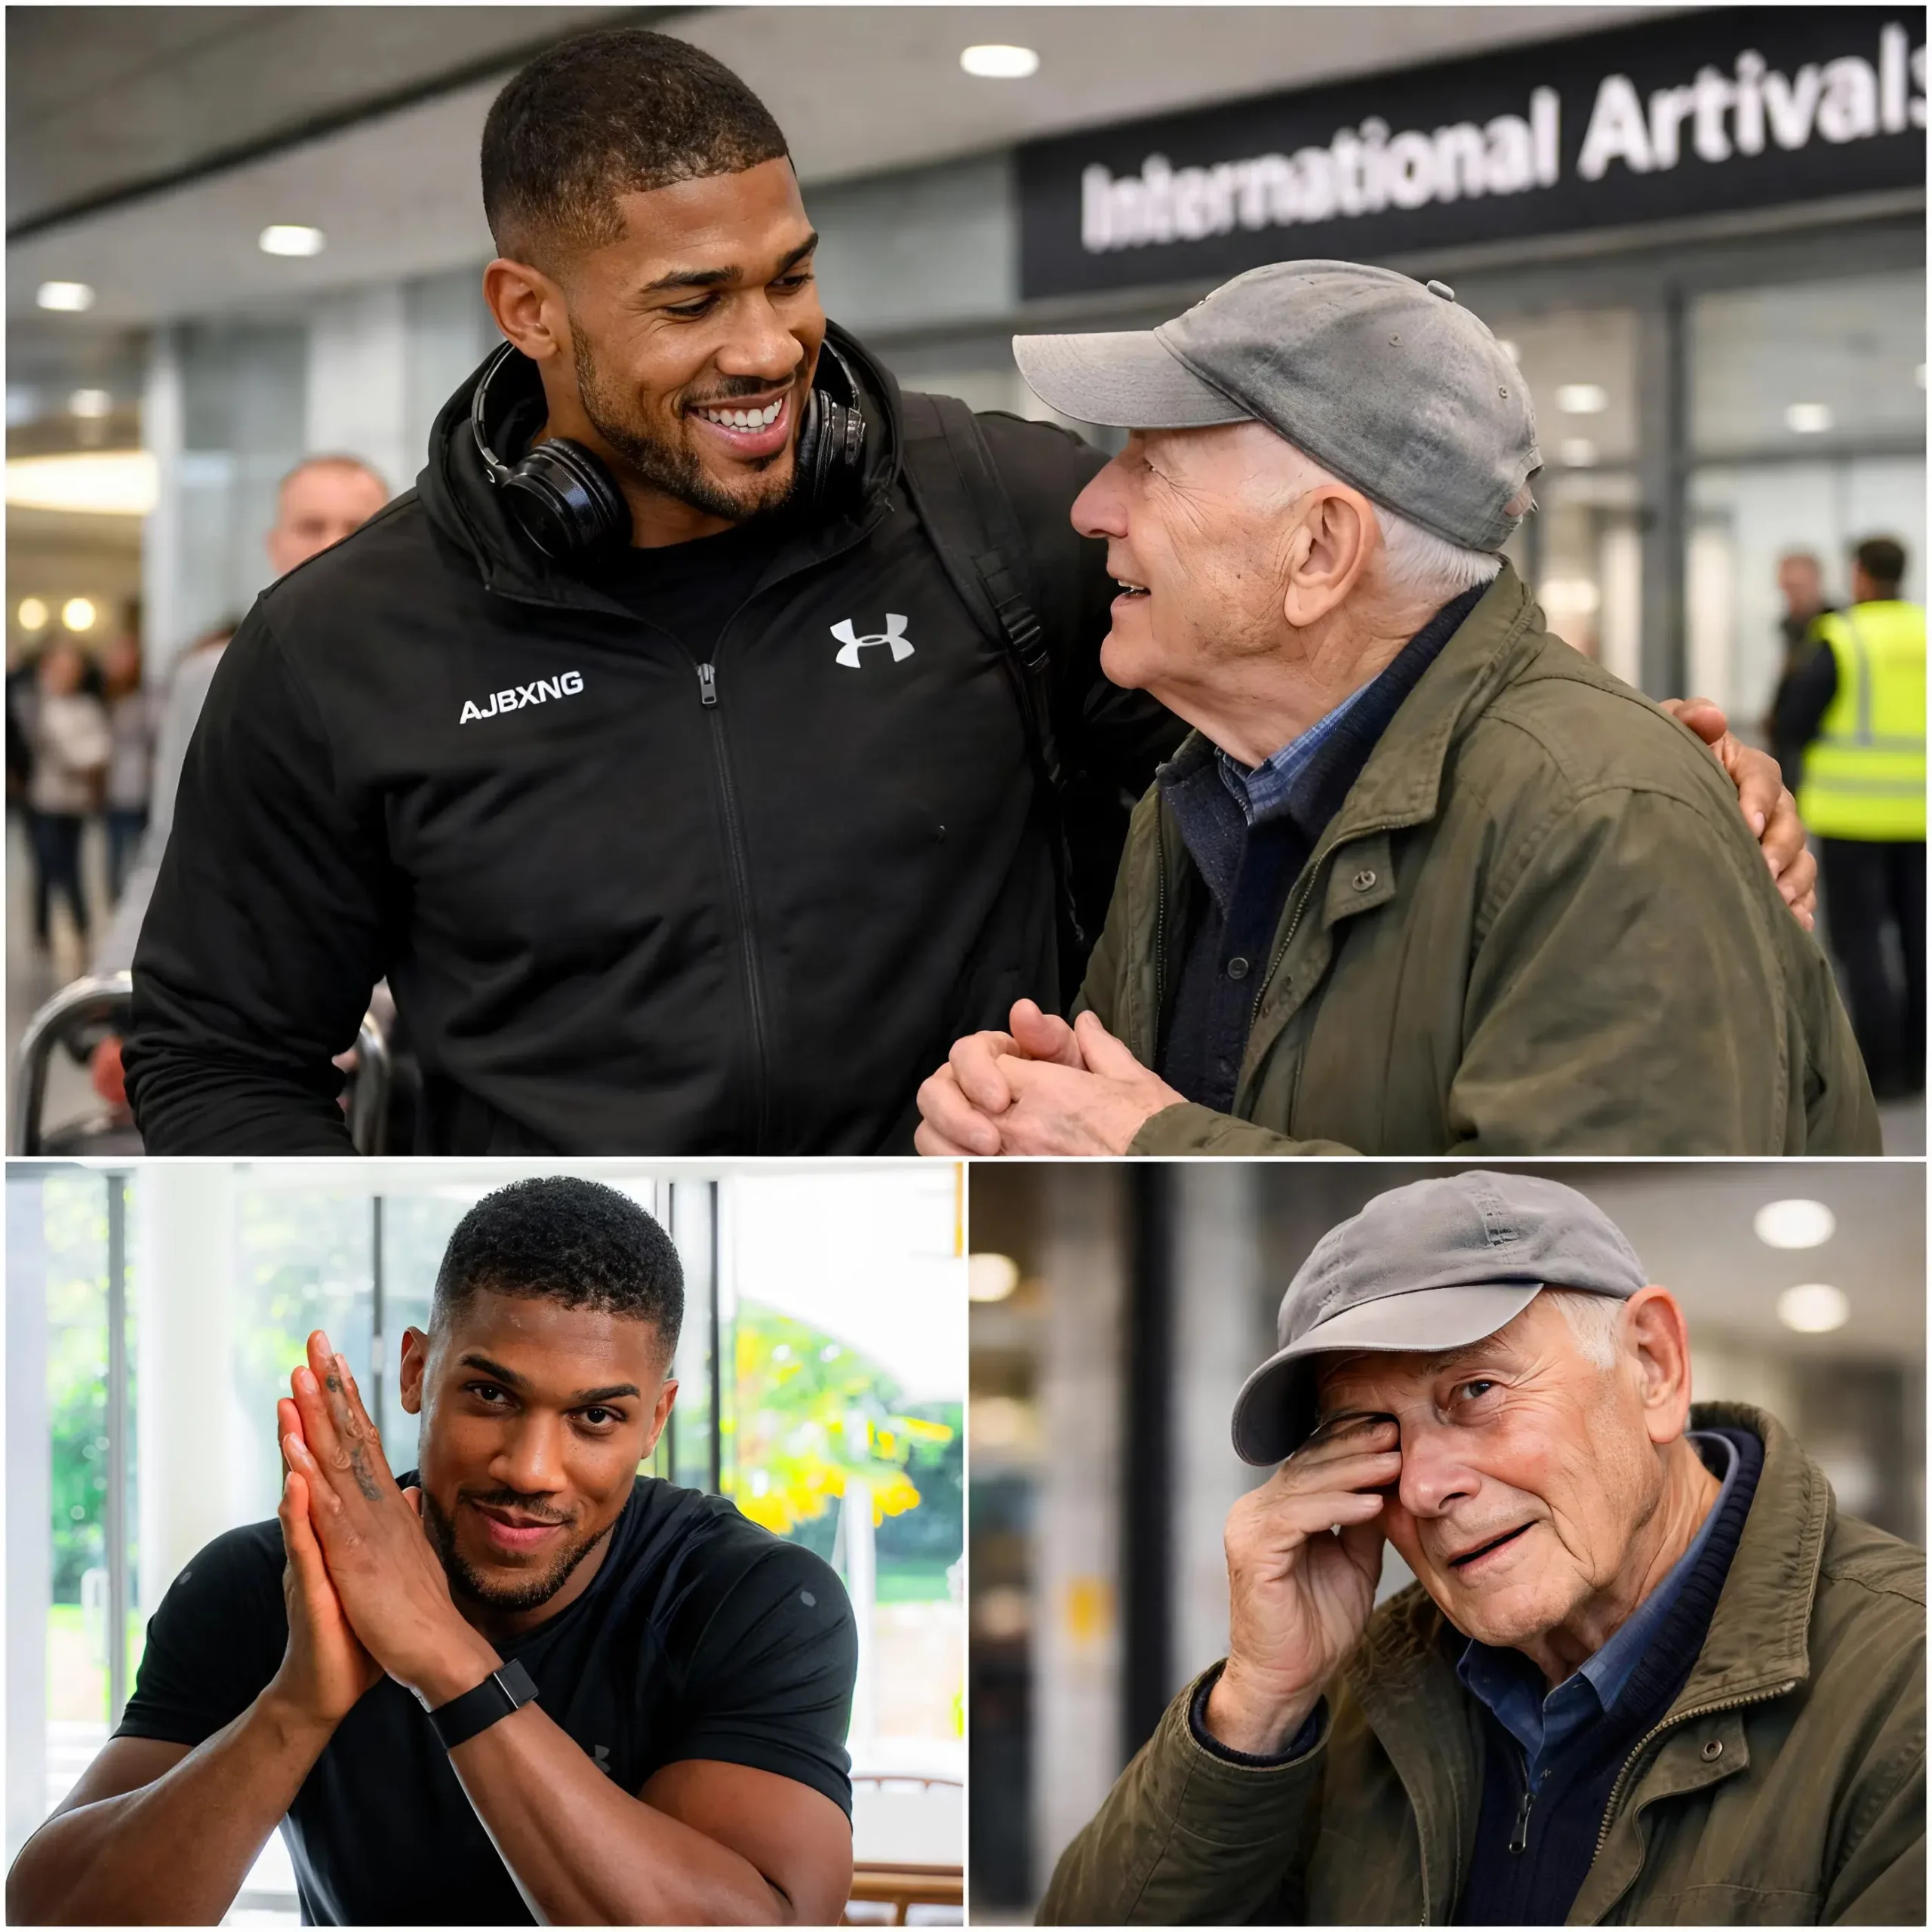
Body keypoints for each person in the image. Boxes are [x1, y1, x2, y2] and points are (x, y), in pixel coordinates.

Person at [122, 30, 1803, 1158]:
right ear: (530, 311)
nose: (769, 345)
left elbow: (1349, 658)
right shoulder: (343, 645)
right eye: (693, 299)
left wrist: (1641, 760)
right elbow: (217, 1052)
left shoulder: (990, 511)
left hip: (1005, 1253)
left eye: (790, 276)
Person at [916, 263, 1874, 1157]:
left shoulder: (1606, 822)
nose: (1091, 508)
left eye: (1150, 465)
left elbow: (1581, 1235)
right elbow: (1139, 1121)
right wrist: (1029, 1123)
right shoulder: (1198, 799)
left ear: (1321, 551)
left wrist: (1141, 1147)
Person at [1041, 1171, 1924, 1926]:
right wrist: (1257, 1708)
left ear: (1652, 1367)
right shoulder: (1358, 1695)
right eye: (1369, 1429)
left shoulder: (1902, 1691)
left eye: (1474, 1389)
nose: (1424, 1486)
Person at [5, 1177, 858, 1926]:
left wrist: (445, 1656)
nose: (529, 1469)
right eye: (489, 1394)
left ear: (655, 1422)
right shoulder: (260, 1585)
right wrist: (298, 1702)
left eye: (595, 1417)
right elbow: (52, 1916)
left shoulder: (755, 1598)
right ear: (417, 1370)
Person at [88, 454, 388, 1111]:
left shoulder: (440, 675)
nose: (332, 544)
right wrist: (119, 1005)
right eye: (311, 526)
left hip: (387, 1010)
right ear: (276, 543)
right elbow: (168, 849)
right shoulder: (209, 678)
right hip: (247, 994)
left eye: (355, 524)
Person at [1775, 534, 1925, 1100]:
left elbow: (1795, 718)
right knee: (1918, 941)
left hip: (1854, 815)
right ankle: (1919, 1064)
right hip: (1920, 816)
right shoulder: (1925, 630)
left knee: (1862, 946)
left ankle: (1882, 1072)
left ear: (1861, 575)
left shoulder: (1843, 636)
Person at [23, 637, 111, 960]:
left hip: (75, 804)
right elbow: (74, 754)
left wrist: (90, 756)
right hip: (46, 803)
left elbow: (101, 747)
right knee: (51, 868)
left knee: (72, 869)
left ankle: (81, 930)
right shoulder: (44, 706)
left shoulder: (87, 706)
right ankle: (45, 929)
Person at [1764, 549, 1835, 793]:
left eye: (1798, 587)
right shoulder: (1792, 629)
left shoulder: (1834, 633)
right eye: (1787, 588)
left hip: (1821, 753)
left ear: (1816, 582)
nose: (1792, 596)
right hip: (1790, 753)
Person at [99, 629, 155, 902]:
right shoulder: (102, 695)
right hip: (111, 788)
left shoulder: (146, 698)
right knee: (113, 858)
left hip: (138, 787)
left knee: (136, 856)